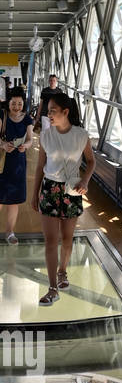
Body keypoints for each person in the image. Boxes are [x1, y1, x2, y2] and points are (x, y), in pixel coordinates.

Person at [31, 90, 90, 302]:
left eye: (53, 111)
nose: (50, 116)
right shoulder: (46, 136)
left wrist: (85, 181)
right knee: (50, 241)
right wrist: (35, 193)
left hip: (71, 191)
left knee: (66, 239)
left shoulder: (81, 135)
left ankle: (62, 271)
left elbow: (91, 162)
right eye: (48, 112)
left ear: (66, 112)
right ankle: (52, 288)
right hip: (49, 189)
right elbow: (40, 166)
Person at [0, 87, 28, 246]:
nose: (17, 106)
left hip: (18, 162)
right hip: (2, 163)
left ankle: (10, 232)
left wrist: (27, 145)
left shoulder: (27, 119)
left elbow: (30, 139)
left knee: (13, 200)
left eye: (19, 103)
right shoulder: (2, 116)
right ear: (8, 103)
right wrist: (3, 144)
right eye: (14, 103)